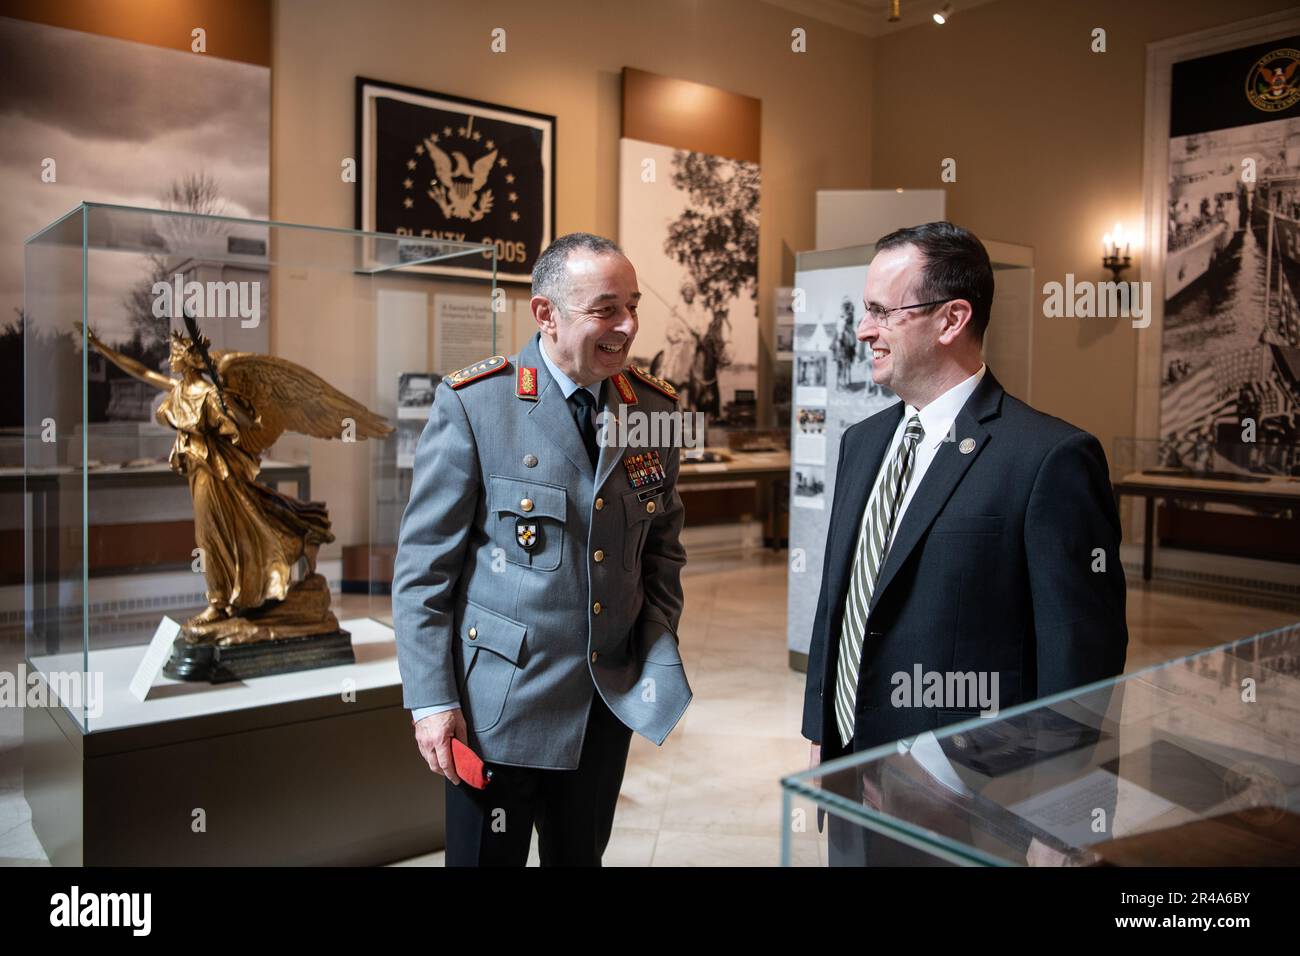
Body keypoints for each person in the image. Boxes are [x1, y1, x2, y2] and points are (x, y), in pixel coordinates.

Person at [801, 221, 1128, 864]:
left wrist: (1060, 817)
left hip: (963, 796)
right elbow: (841, 600)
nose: (863, 330)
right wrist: (821, 730)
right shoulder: (861, 443)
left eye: (880, 312)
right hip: (850, 767)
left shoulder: (1050, 458)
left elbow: (1080, 660)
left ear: (952, 319)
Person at [392, 232, 692, 866]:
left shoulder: (655, 410)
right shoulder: (478, 403)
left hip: (602, 705)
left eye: (633, 306)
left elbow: (663, 549)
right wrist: (432, 700)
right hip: (497, 709)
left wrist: (652, 648)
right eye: (606, 309)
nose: (628, 325)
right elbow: (424, 572)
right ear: (546, 314)